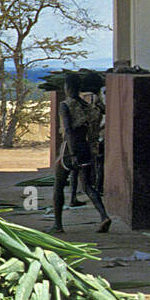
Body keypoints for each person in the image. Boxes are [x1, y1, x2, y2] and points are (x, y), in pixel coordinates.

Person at [52, 72, 111, 234]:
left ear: (68, 87)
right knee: (87, 186)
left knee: (58, 184)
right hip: (87, 148)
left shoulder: (65, 105)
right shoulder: (88, 107)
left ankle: (58, 225)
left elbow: (69, 130)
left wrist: (72, 153)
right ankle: (104, 215)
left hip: (71, 148)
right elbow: (95, 127)